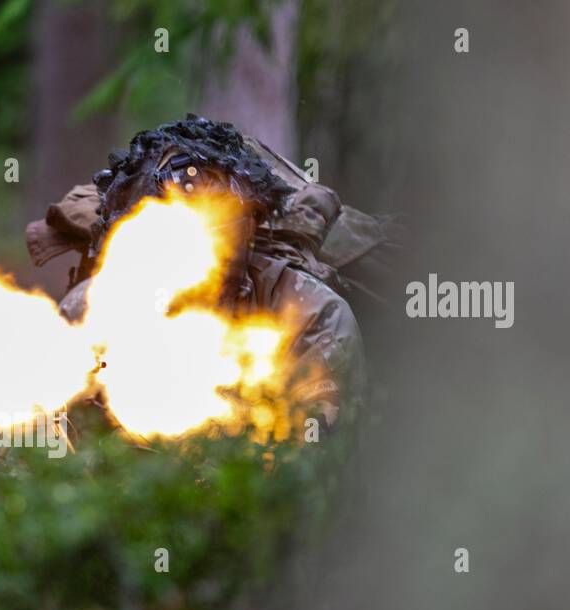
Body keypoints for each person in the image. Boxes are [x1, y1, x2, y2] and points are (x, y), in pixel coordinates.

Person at [26, 115, 394, 431]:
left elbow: (316, 463)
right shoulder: (90, 311)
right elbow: (50, 453)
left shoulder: (310, 314)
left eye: (219, 228)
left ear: (250, 227)